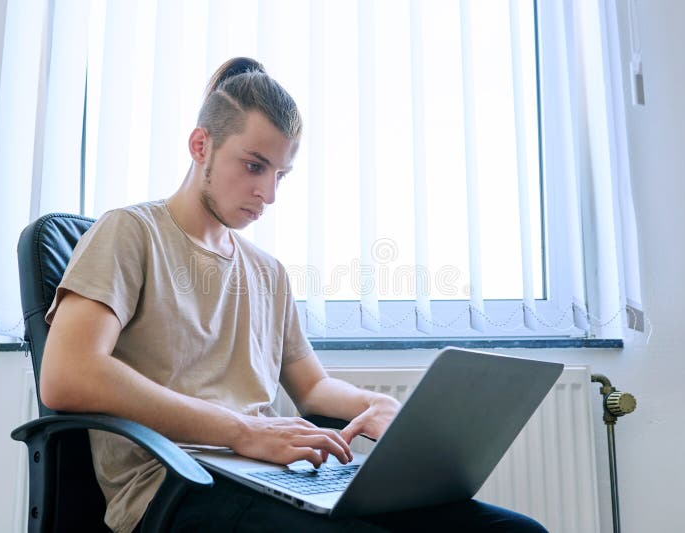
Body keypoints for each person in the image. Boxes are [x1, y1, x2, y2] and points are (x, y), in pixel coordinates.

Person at [40, 57, 547, 533]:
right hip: (173, 488)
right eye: (255, 166)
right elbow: (68, 375)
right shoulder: (130, 232)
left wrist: (376, 403)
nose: (270, 193)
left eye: (281, 174)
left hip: (265, 473)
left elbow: (313, 389)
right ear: (201, 146)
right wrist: (241, 431)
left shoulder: (268, 272)